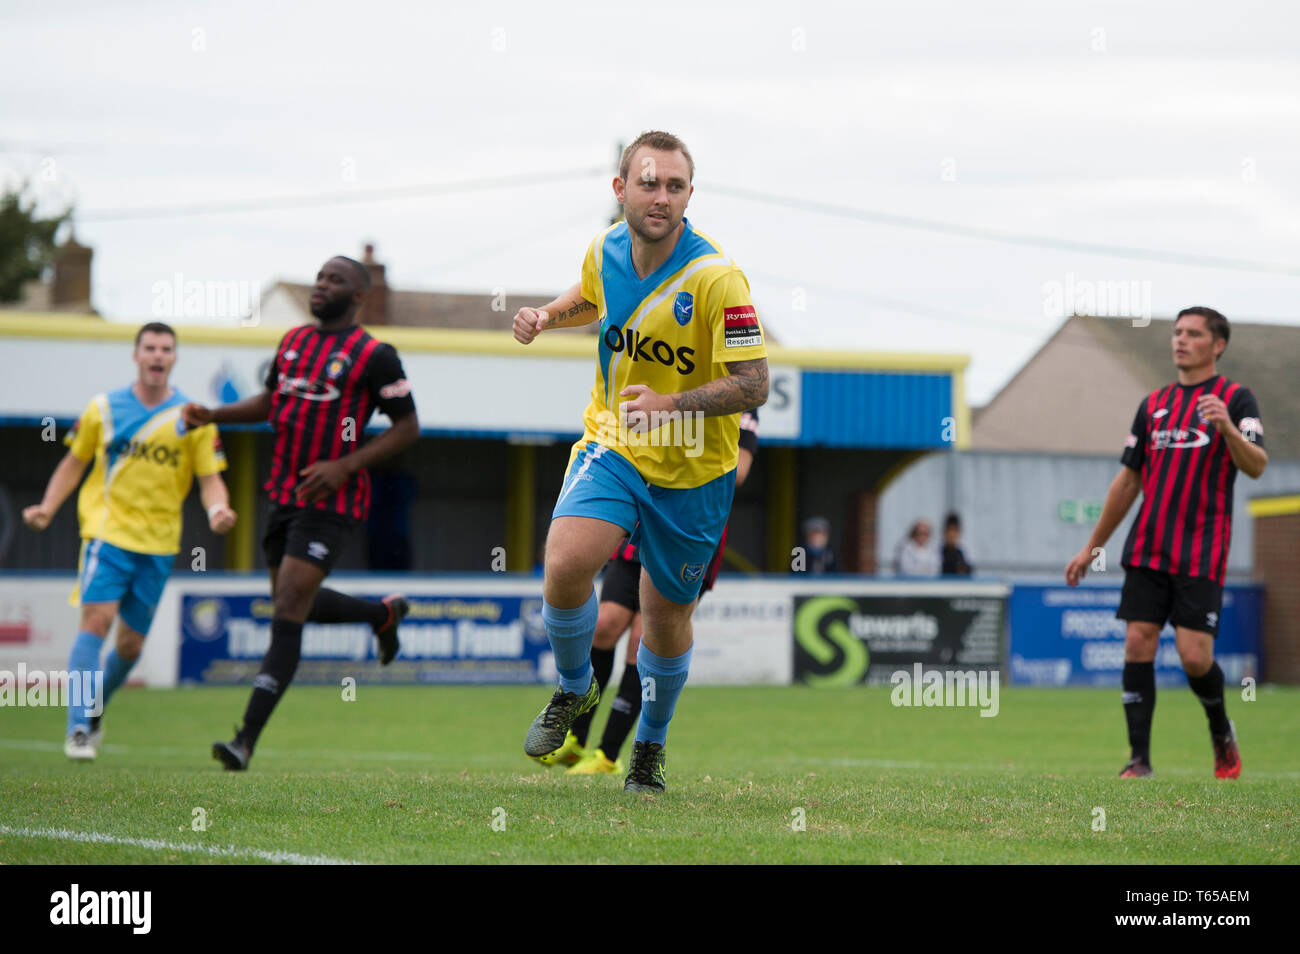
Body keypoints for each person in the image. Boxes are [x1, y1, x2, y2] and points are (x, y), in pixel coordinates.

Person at [511, 130, 769, 794]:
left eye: (675, 186)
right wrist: (546, 314)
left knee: (664, 617)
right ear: (620, 188)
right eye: (648, 182)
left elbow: (754, 384)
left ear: (689, 194)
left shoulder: (718, 278)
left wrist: (673, 403)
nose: (661, 196)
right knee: (567, 562)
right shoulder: (604, 249)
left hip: (695, 470)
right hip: (616, 441)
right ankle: (574, 690)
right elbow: (594, 297)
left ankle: (648, 748)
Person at [182, 255, 420, 771]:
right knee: (296, 602)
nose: (321, 285)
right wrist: (214, 414)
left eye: (335, 280)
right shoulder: (293, 343)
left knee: (289, 607)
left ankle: (244, 741)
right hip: (282, 495)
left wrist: (345, 465)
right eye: (319, 277)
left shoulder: (376, 356)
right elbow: (271, 402)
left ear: (358, 295)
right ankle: (381, 613)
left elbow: (408, 428)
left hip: (331, 500)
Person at [1065, 306, 1266, 779]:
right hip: (1148, 546)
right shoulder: (1154, 404)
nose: (1180, 340)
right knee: (1138, 642)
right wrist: (1092, 548)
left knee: (1195, 657)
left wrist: (1227, 428)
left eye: (1193, 334)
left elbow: (1256, 464)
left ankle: (1221, 731)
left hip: (1201, 549)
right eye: (1177, 332)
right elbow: (1128, 482)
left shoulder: (1237, 399)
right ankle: (1140, 760)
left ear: (1217, 345)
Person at [23, 322, 237, 760]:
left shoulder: (191, 417)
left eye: (166, 349)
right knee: (95, 623)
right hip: (106, 533)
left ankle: (96, 705)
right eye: (150, 348)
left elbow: (210, 480)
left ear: (174, 358)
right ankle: (78, 728)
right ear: (136, 355)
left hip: (158, 544)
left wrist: (218, 510)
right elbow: (73, 462)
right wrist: (47, 506)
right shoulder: (102, 408)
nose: (158, 356)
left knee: (129, 646)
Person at [561, 407, 760, 775]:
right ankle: (576, 736)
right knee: (605, 624)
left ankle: (609, 754)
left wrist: (687, 455)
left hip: (691, 521)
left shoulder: (736, 395)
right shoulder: (660, 370)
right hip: (642, 516)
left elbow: (740, 471)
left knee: (644, 637)